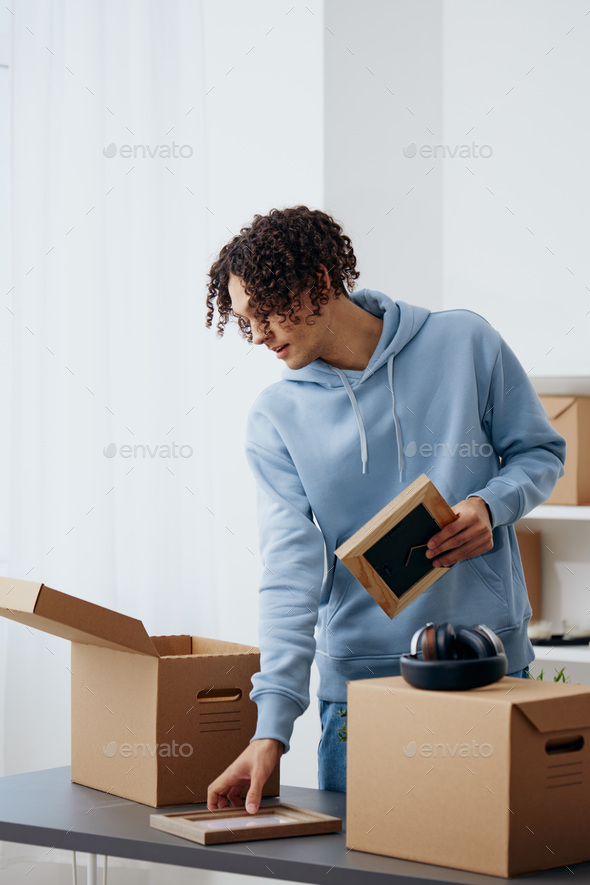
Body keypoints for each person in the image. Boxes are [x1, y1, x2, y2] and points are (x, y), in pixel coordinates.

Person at [204, 205, 565, 813]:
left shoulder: (463, 342)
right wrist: (271, 729)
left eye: (266, 312)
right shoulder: (276, 417)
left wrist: (491, 504)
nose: (258, 335)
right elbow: (290, 573)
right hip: (360, 696)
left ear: (319, 283)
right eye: (246, 322)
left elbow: (538, 451)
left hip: (489, 668)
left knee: (517, 854)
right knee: (365, 862)